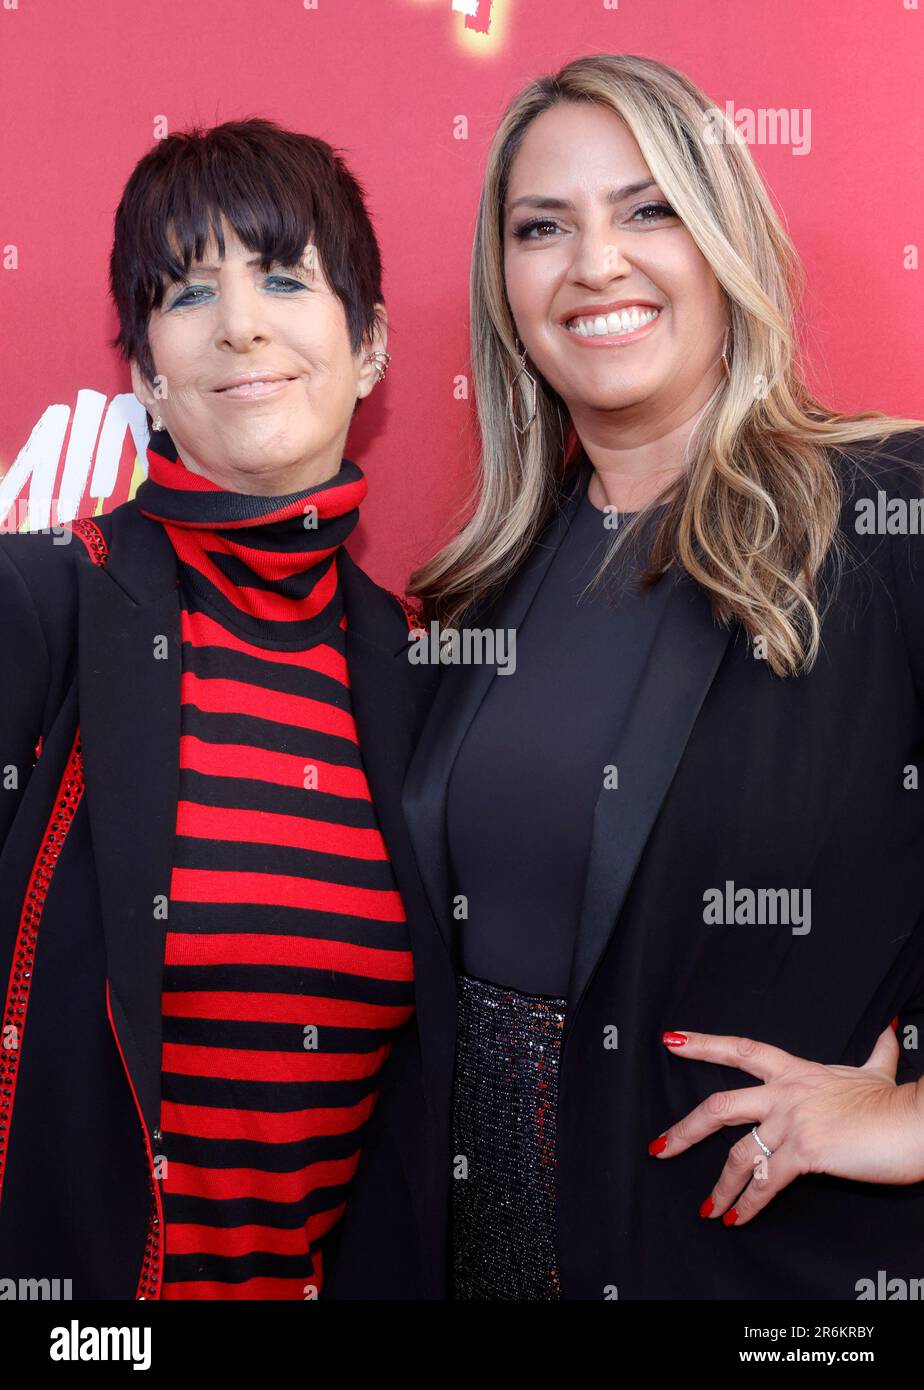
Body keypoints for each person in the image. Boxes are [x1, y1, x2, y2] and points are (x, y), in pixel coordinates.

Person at [324, 53, 924, 1301]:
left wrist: (905, 1111)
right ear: (508, 285)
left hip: (756, 1273)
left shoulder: (886, 520)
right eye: (544, 227)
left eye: (648, 210)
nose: (595, 262)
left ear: (725, 242)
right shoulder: (482, 590)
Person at [0, 116, 439, 1299]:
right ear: (145, 370)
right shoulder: (41, 605)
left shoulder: (419, 674)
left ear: (373, 343)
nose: (241, 324)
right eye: (189, 294)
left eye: (285, 278)